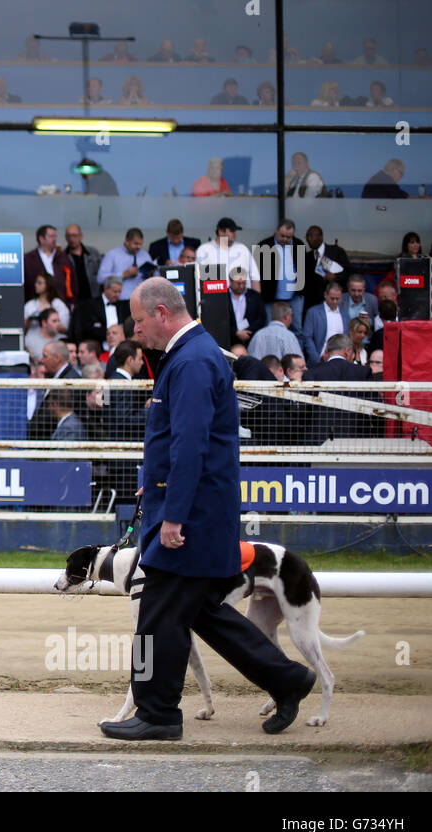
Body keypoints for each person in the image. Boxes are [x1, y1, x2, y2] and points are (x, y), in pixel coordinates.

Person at [102, 278, 315, 741]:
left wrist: (173, 512)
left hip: (189, 518)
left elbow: (191, 444)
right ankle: (288, 679)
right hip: (190, 509)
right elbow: (176, 442)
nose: (136, 332)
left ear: (161, 314)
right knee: (200, 611)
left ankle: (157, 713)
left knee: (157, 612)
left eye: (139, 322)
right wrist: (154, 489)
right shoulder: (191, 355)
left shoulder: (193, 360)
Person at [195, 217, 261, 296]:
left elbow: (255, 278)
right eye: (232, 231)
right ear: (221, 231)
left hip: (242, 299)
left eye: (235, 231)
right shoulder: (204, 250)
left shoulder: (243, 249)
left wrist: (257, 300)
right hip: (215, 298)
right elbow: (197, 278)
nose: (234, 234)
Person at [96, 228, 154, 300]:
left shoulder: (145, 255)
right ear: (127, 240)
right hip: (120, 301)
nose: (139, 247)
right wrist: (123, 274)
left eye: (140, 244)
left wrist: (151, 273)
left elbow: (154, 278)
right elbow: (100, 279)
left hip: (141, 300)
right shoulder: (112, 255)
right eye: (136, 244)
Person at [23, 225, 74, 301]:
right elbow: (26, 284)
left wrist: (72, 302)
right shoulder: (29, 259)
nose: (54, 239)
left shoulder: (63, 256)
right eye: (51, 236)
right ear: (41, 239)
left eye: (55, 236)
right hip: (37, 304)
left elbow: (73, 280)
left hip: (61, 302)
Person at [64, 224, 102, 302]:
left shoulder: (93, 253)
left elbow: (101, 274)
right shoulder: (63, 256)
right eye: (69, 236)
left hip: (94, 297)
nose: (71, 239)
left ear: (81, 236)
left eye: (74, 235)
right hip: (74, 299)